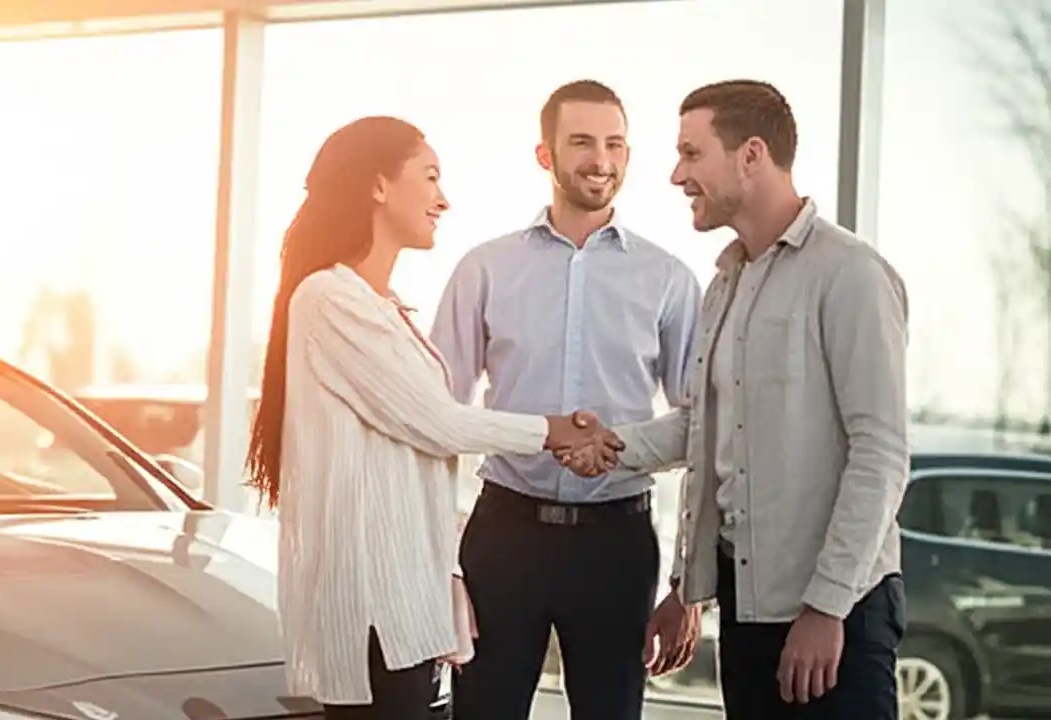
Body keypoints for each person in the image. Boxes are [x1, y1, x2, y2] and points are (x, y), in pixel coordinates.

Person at [245, 115, 622, 720]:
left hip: (403, 609)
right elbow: (435, 423)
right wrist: (552, 430)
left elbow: (413, 462)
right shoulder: (329, 299)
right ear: (377, 187)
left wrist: (445, 574)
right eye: (429, 177)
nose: (442, 199)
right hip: (371, 610)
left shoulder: (382, 306)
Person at [576, 79, 910, 719]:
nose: (677, 175)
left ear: (751, 154)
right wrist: (605, 446)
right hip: (746, 606)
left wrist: (826, 608)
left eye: (692, 153)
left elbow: (882, 454)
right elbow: (709, 429)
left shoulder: (851, 276)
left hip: (835, 618)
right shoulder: (725, 284)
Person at [429, 80, 702, 719]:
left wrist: (689, 587)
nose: (600, 159)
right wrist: (441, 564)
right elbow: (438, 419)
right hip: (503, 537)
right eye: (581, 141)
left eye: (614, 143)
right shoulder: (484, 269)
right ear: (545, 155)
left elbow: (703, 426)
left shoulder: (668, 279)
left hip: (618, 544)